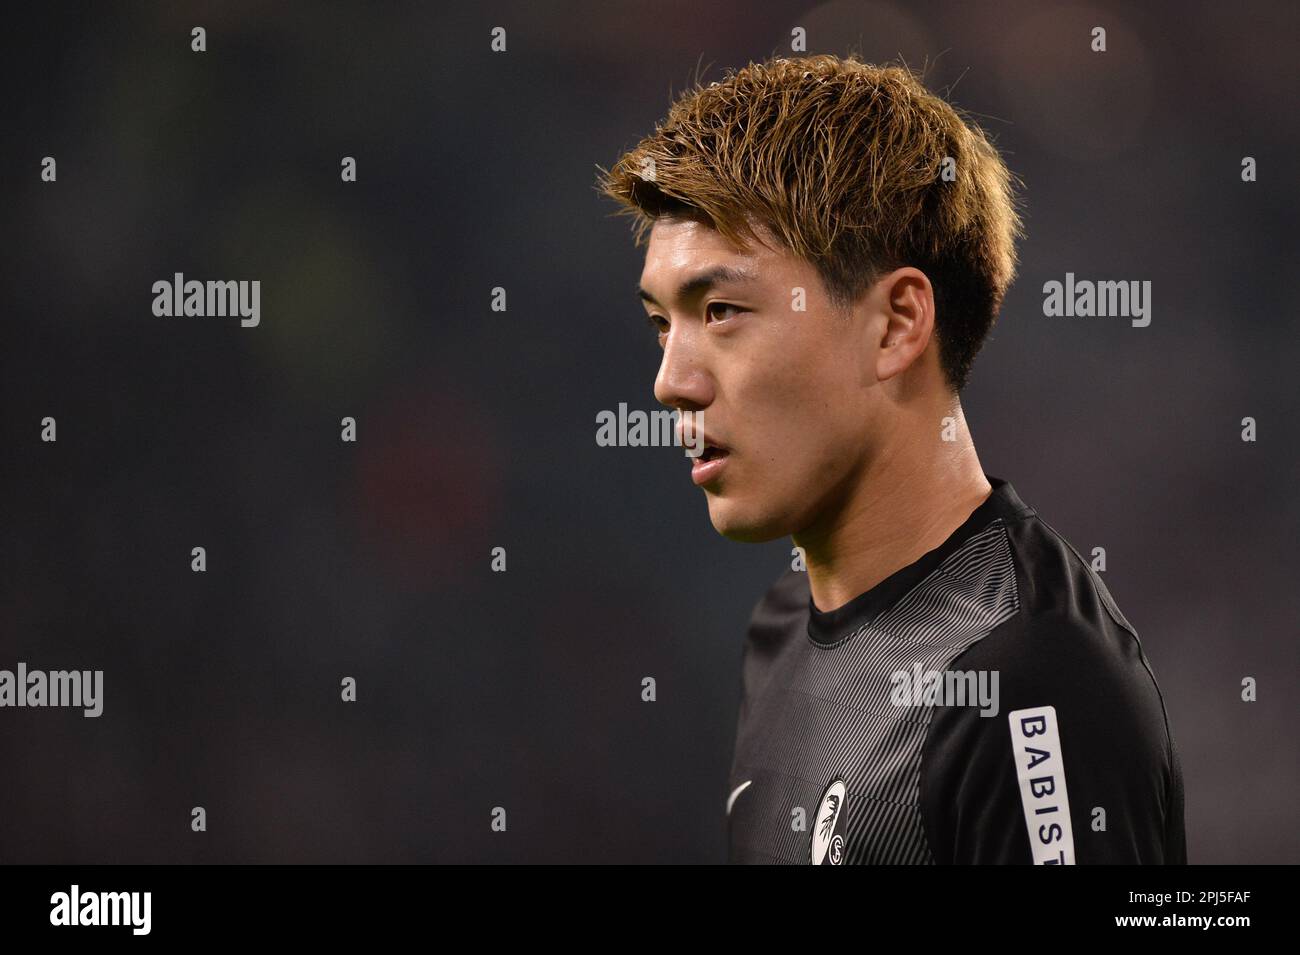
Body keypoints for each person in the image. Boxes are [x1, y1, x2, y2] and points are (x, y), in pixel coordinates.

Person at [597, 54, 1185, 864]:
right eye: (664, 323)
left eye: (722, 310)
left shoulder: (1025, 687)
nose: (669, 382)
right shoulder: (783, 621)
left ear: (897, 325)